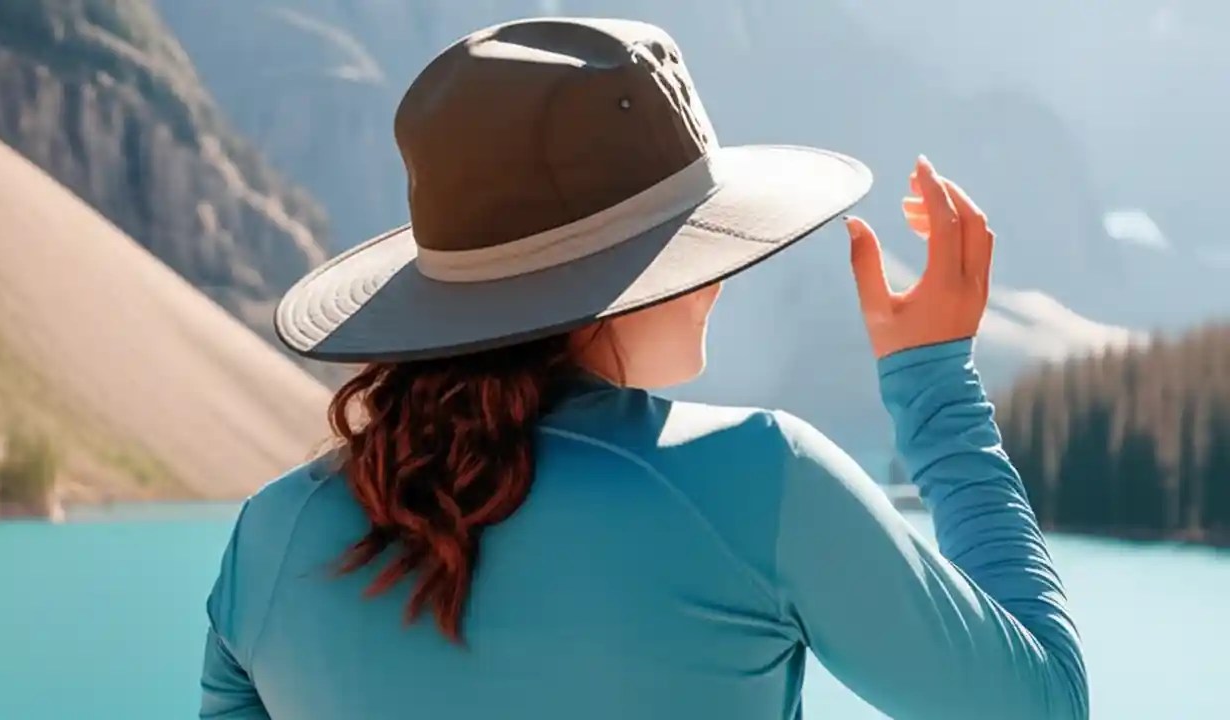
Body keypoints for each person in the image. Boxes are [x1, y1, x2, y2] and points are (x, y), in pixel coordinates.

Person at [200, 17, 1088, 720]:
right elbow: (1043, 706)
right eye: (697, 241)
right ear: (632, 272)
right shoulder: (762, 482)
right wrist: (935, 382)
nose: (722, 276)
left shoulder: (272, 537)